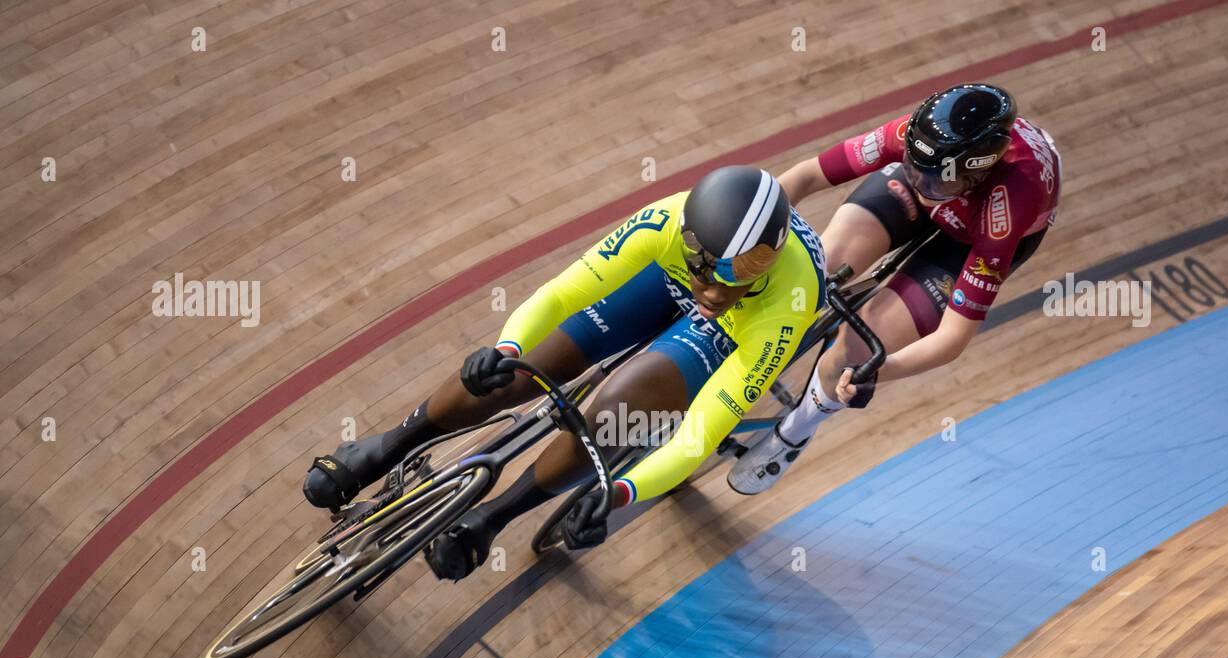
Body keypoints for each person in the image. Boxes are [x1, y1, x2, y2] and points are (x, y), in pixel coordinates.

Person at [302, 165, 827, 578]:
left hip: (745, 327)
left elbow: (698, 436)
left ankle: (495, 517)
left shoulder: (787, 305)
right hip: (665, 276)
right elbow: (561, 293)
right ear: (688, 238)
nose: (708, 290)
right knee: (519, 368)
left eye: (729, 277)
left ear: (765, 263)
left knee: (625, 404)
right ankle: (392, 444)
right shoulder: (668, 223)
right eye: (702, 267)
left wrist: (620, 493)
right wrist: (506, 347)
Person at [728, 83, 1061, 494]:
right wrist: (750, 233)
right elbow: (806, 175)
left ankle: (793, 433)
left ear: (975, 172)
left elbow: (953, 338)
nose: (924, 188)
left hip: (966, 244)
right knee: (817, 268)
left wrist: (880, 372)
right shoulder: (916, 139)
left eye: (935, 182)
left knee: (853, 354)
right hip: (928, 188)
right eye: (914, 167)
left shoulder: (1007, 206)